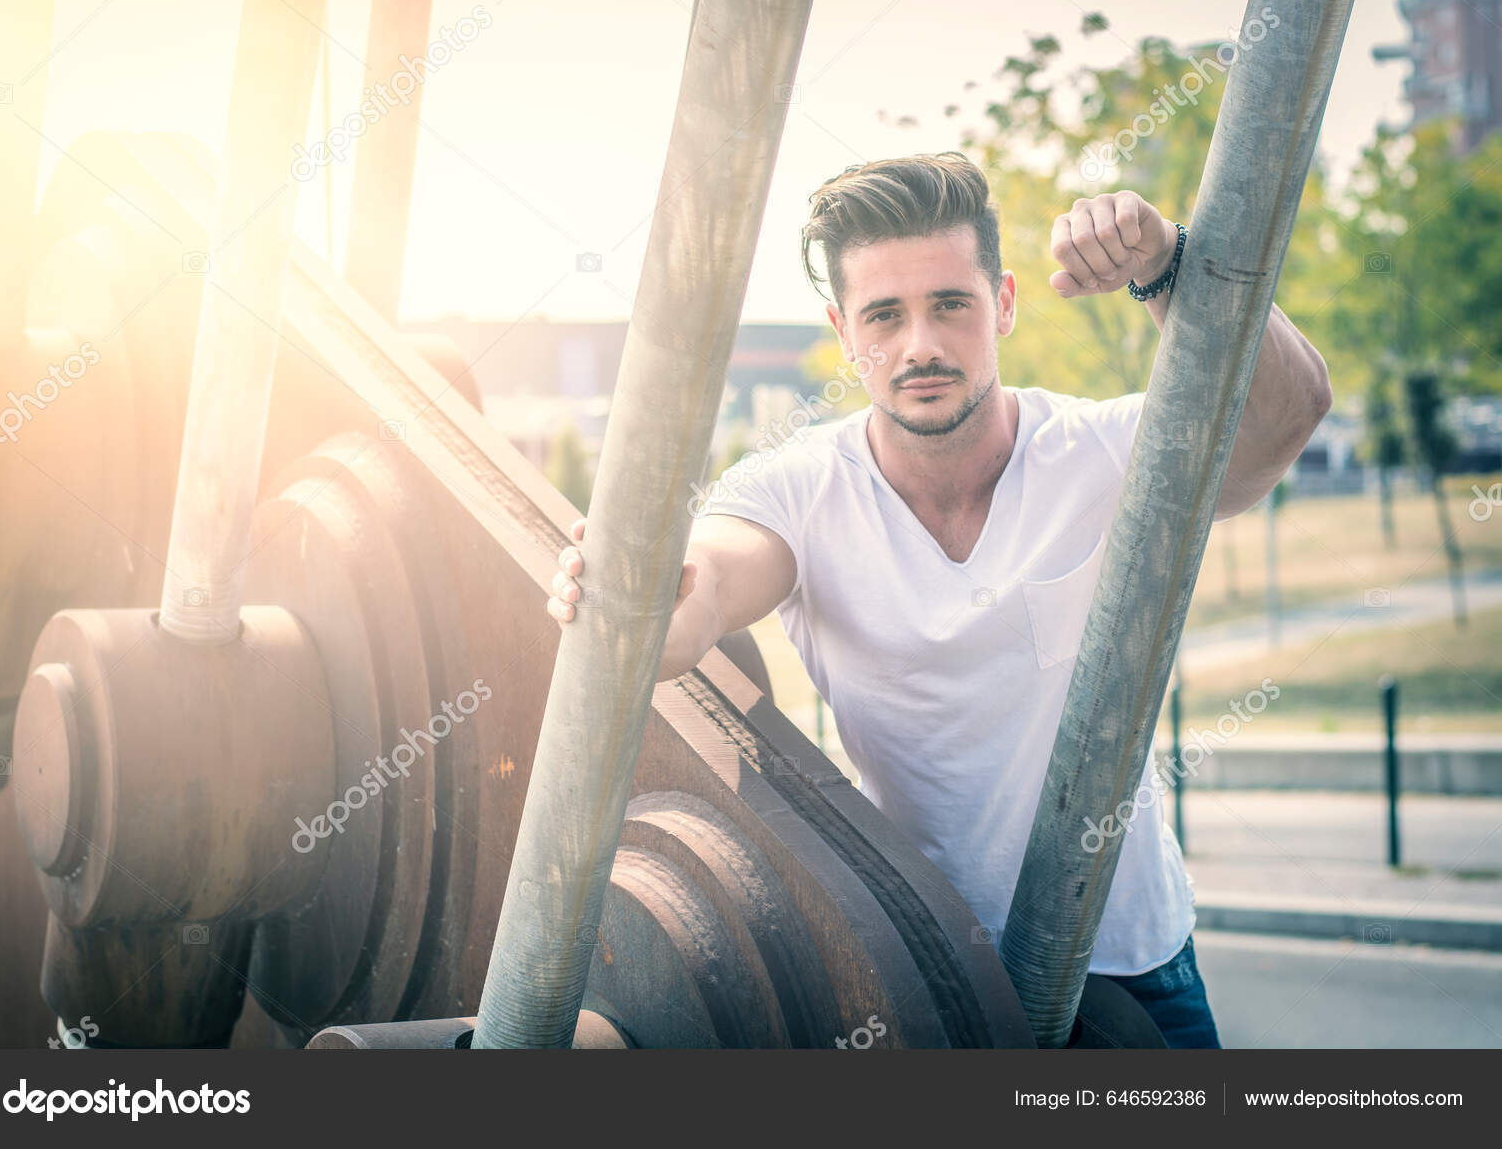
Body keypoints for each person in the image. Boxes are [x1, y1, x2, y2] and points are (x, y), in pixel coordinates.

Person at [546, 153, 1331, 1048]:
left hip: (1132, 965)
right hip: (930, 979)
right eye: (885, 314)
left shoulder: (1101, 451)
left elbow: (1288, 414)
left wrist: (1170, 266)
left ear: (1003, 303)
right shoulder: (799, 489)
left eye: (950, 304)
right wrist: (636, 599)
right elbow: (707, 587)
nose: (920, 344)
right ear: (845, 332)